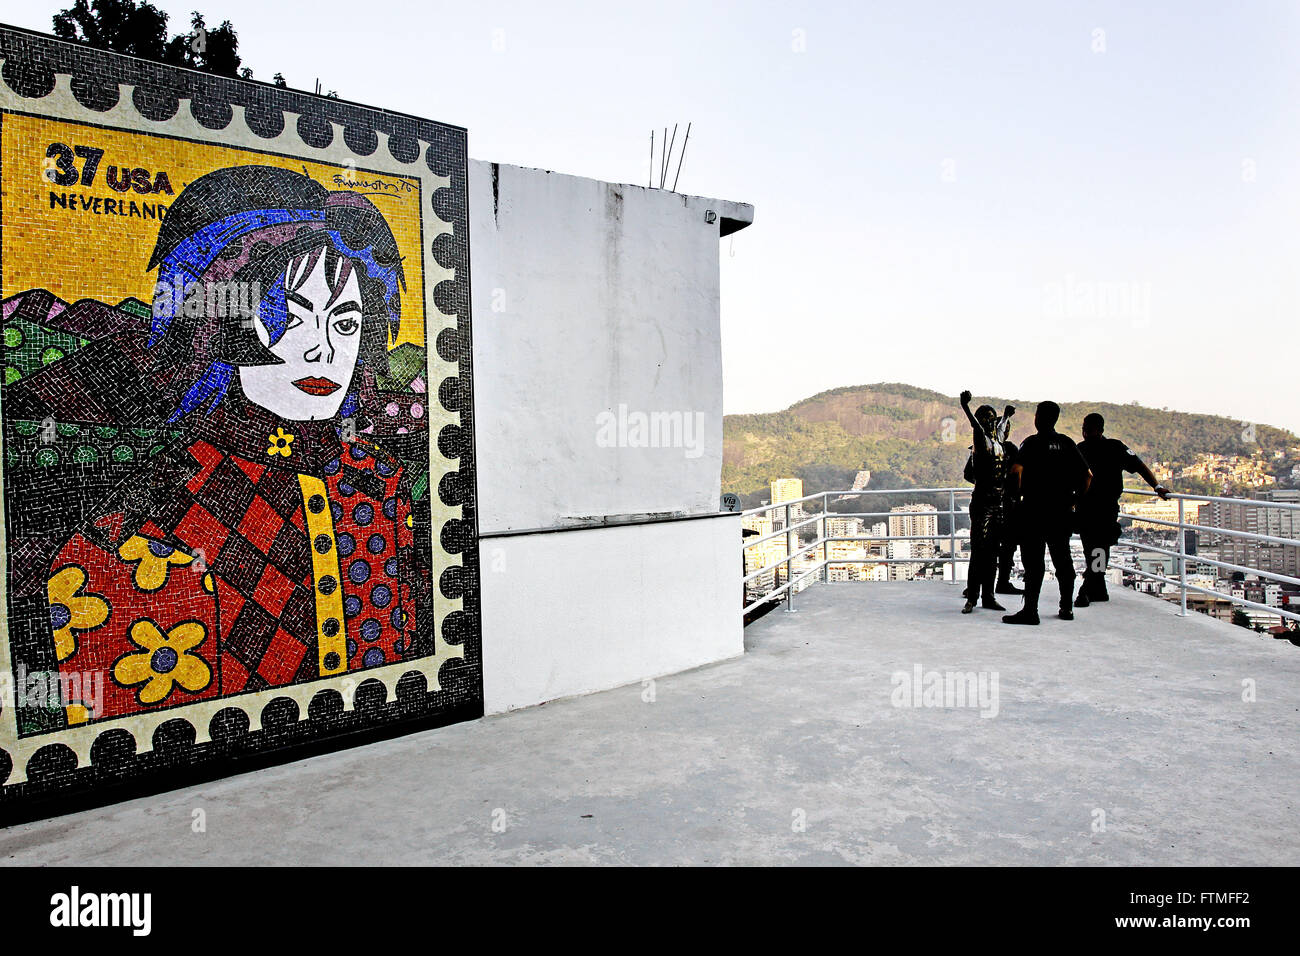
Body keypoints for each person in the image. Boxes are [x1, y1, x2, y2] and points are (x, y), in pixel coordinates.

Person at [42, 166, 427, 725]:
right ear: (221, 321)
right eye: (289, 318)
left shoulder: (379, 489)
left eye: (345, 324)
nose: (320, 351)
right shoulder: (147, 524)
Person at [1002, 400, 1092, 625]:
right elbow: (1088, 476)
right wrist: (1074, 500)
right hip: (1061, 511)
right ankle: (1066, 607)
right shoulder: (1067, 443)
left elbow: (1015, 471)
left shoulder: (1030, 443)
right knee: (1063, 560)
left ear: (1038, 417)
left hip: (1034, 510)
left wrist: (1015, 498)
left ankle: (1031, 610)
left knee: (1034, 563)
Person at [1074, 413, 1170, 607]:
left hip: (1100, 507)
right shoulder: (1088, 448)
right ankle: (1098, 588)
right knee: (1094, 550)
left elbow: (1140, 466)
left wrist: (1157, 486)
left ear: (1099, 429)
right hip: (1092, 508)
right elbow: (1140, 466)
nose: (1085, 432)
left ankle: (1088, 588)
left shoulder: (1110, 447)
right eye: (1085, 428)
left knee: (1097, 549)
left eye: (1088, 429)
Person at [958, 391, 1016, 614]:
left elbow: (1001, 427)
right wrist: (966, 408)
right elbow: (977, 427)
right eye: (988, 420)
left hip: (998, 502)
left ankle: (988, 596)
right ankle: (972, 597)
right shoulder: (982, 443)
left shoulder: (998, 443)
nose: (992, 423)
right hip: (982, 502)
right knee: (979, 550)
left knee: (993, 551)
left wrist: (1006, 416)